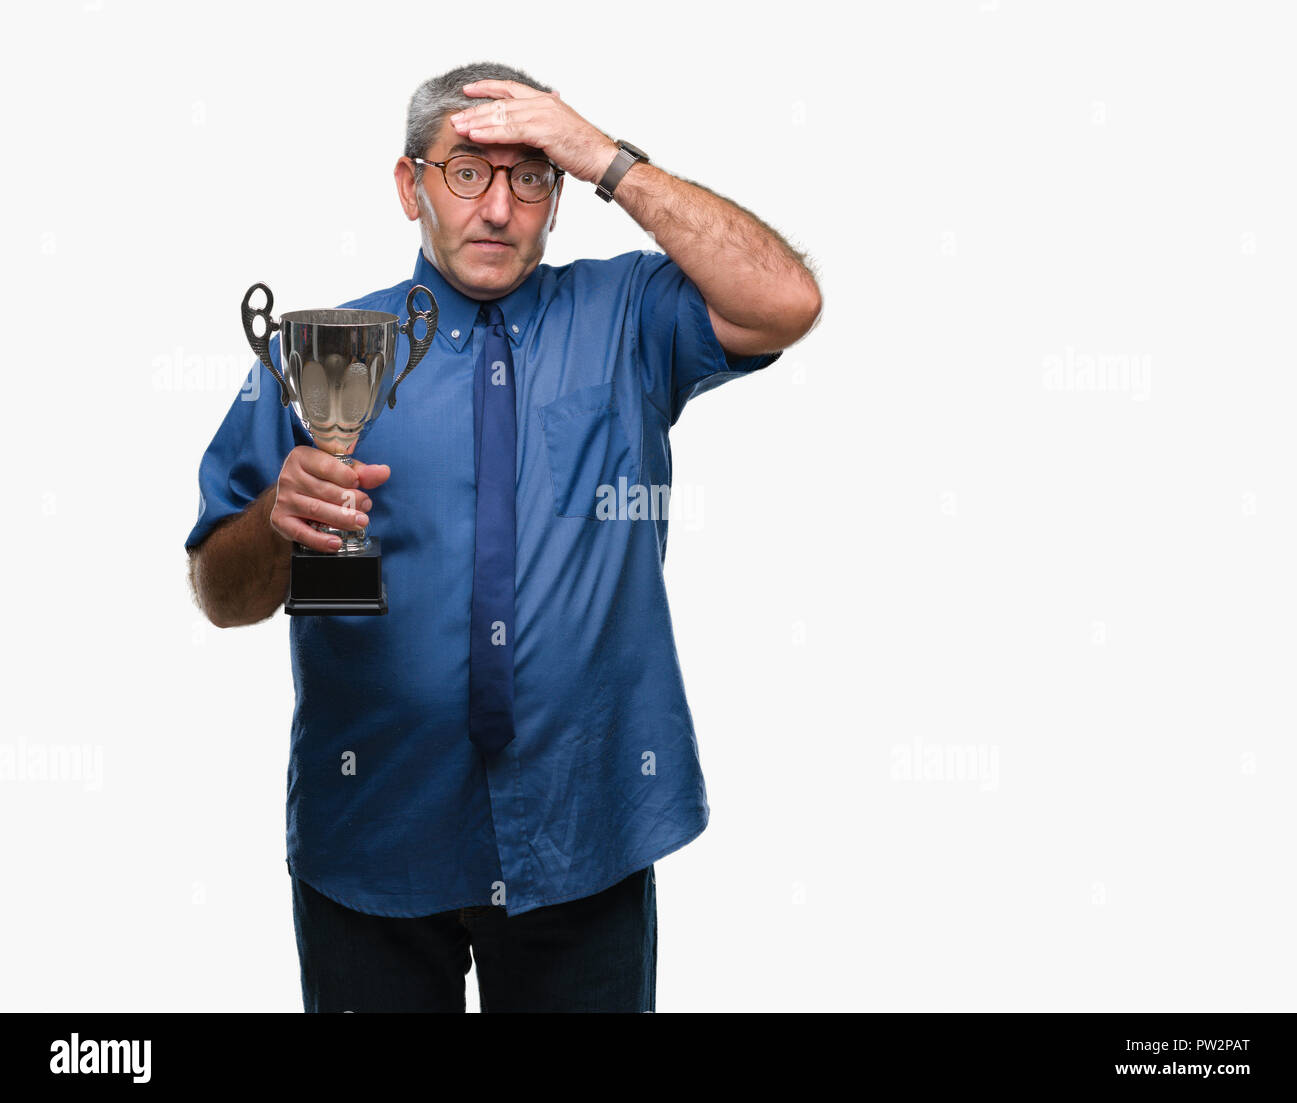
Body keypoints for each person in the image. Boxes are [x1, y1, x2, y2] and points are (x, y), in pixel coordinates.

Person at [185, 60, 822, 1013]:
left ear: (559, 195)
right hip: (374, 843)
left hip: (582, 835)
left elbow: (787, 300)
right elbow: (221, 598)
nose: (497, 209)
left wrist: (605, 156)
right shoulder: (317, 355)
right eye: (467, 171)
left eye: (531, 176)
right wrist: (276, 522)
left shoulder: (629, 318)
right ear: (411, 186)